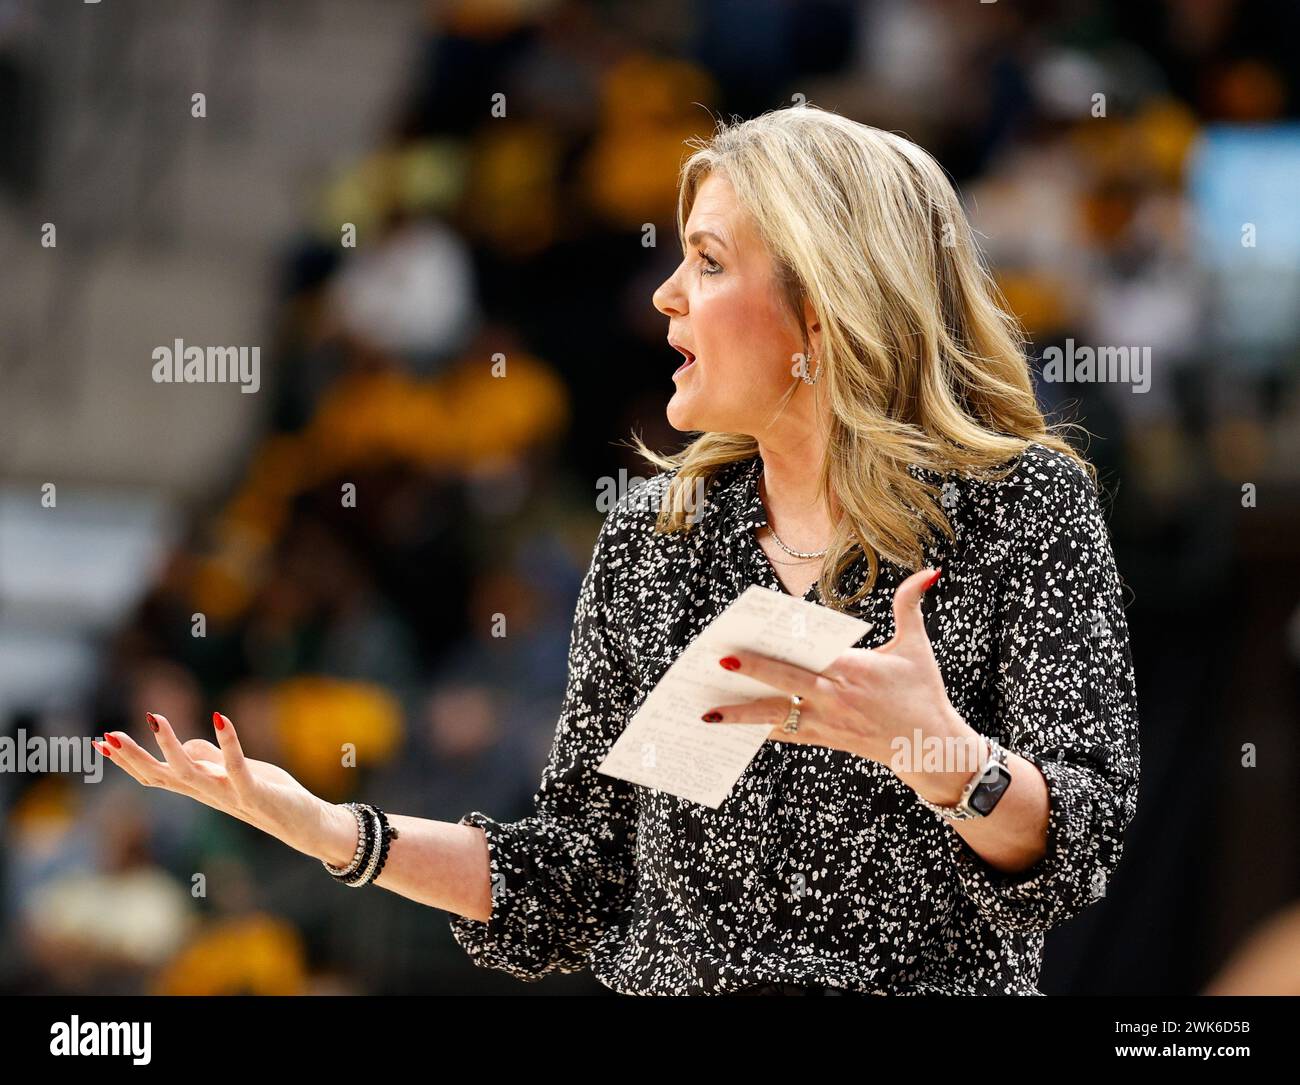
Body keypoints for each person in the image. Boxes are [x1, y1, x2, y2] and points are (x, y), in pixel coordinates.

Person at [95, 106, 1140, 996]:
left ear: (823, 309)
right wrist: (335, 831)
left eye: (709, 261)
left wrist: (943, 758)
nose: (664, 294)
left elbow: (1078, 846)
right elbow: (577, 877)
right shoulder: (661, 539)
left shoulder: (1019, 507)